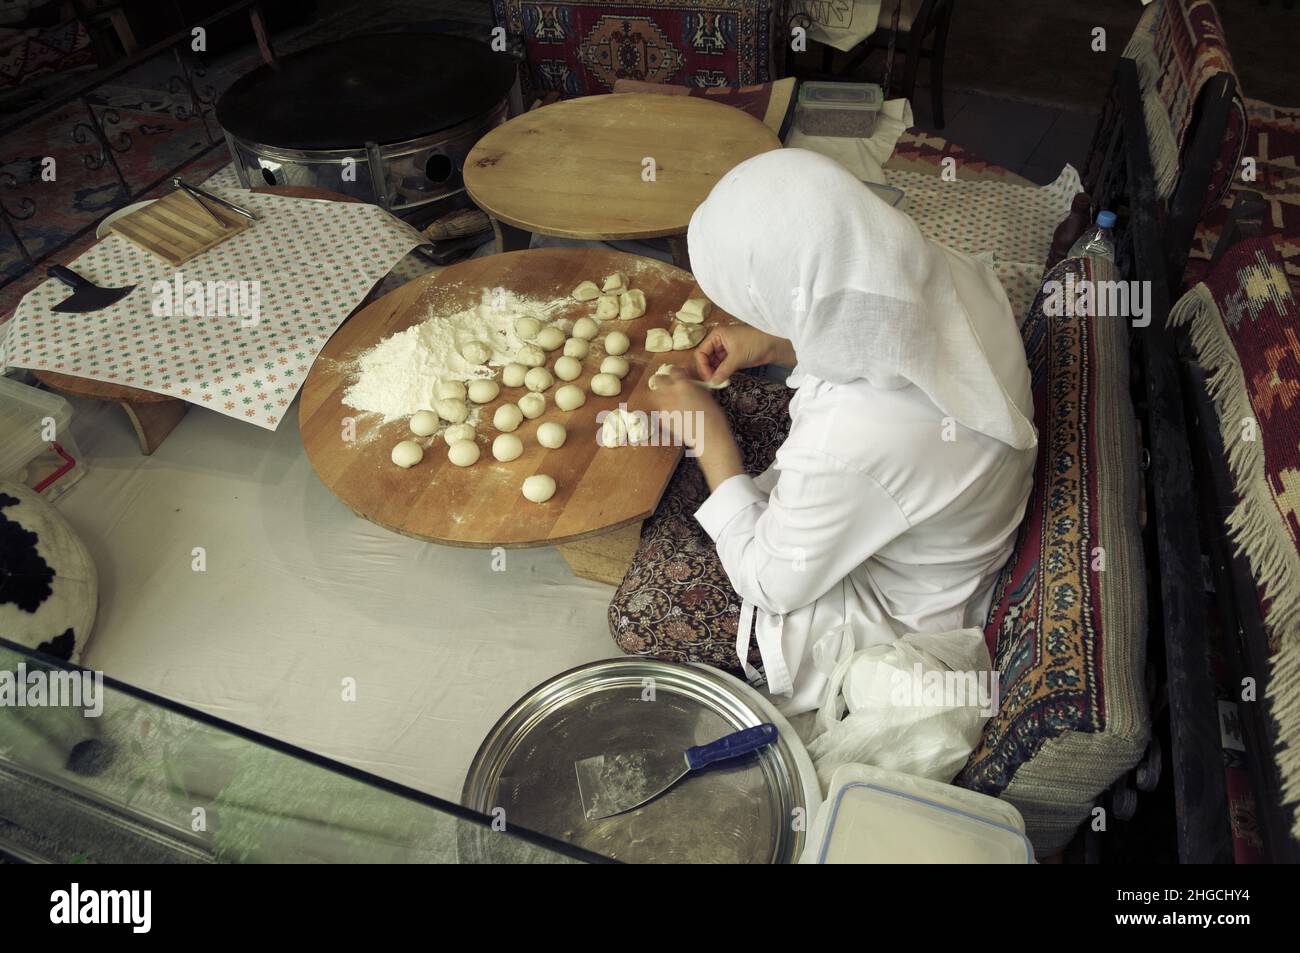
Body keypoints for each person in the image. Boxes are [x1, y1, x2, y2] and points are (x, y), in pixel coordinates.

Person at [632, 148, 1038, 714]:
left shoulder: (855, 435)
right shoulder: (941, 264)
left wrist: (709, 437)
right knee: (737, 405)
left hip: (894, 603)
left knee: (641, 613)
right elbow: (885, 327)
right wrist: (779, 342)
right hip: (938, 507)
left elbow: (772, 583)